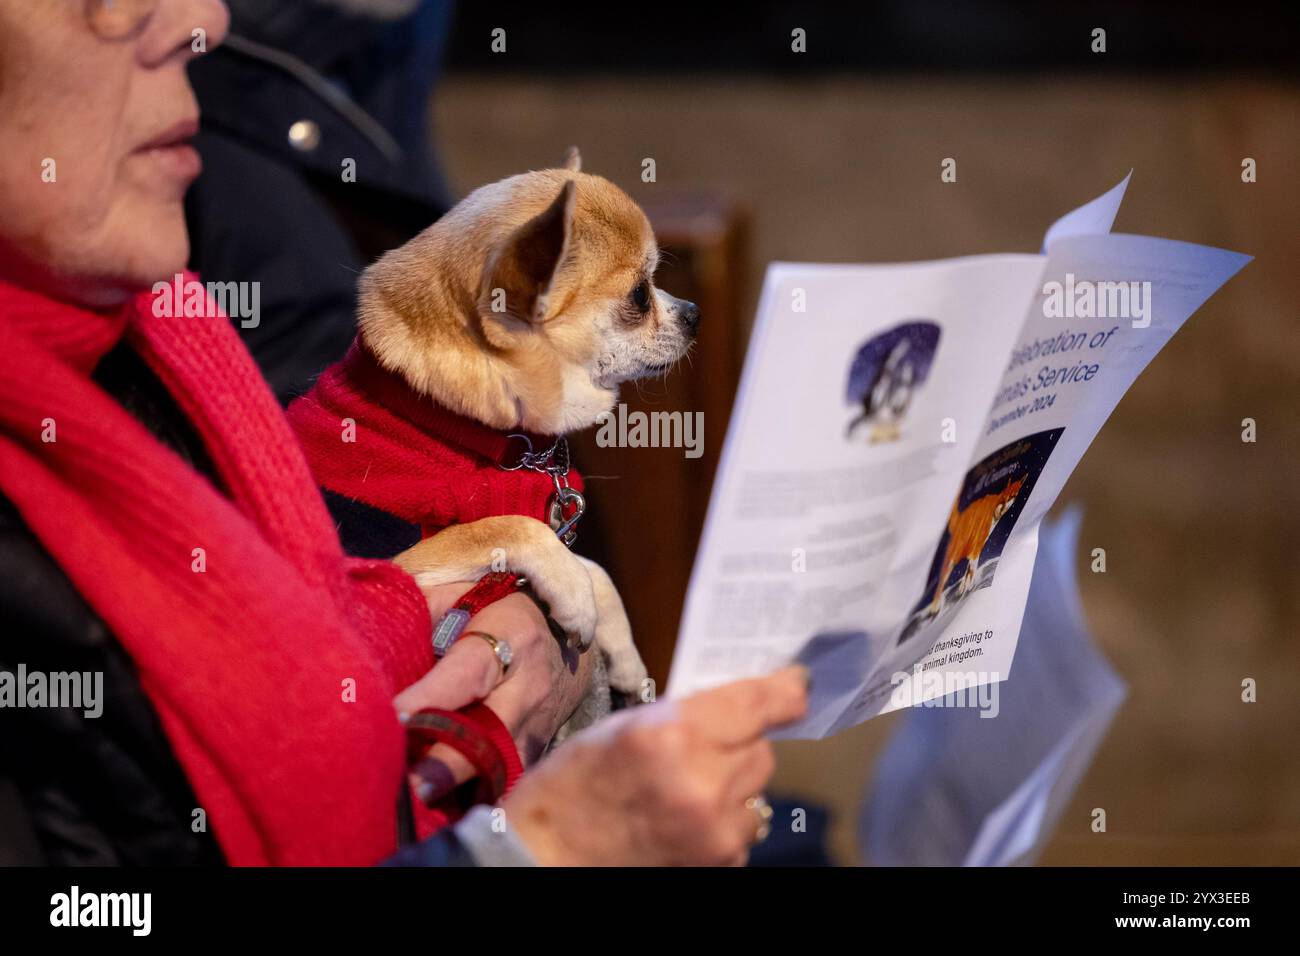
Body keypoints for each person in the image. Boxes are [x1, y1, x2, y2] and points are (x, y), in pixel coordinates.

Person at [0, 0, 807, 867]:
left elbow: (326, 620)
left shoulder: (166, 327)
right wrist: (543, 846)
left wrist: (515, 631)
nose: (201, 15)